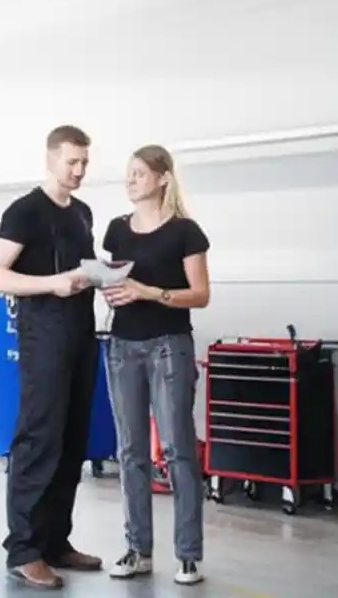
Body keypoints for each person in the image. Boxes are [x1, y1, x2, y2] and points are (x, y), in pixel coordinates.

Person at [0, 125, 103, 591]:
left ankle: (55, 541)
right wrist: (49, 284)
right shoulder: (25, 211)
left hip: (81, 333)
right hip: (44, 337)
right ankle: (24, 549)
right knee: (40, 439)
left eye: (84, 163)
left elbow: (80, 269)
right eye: (71, 162)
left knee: (73, 439)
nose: (78, 171)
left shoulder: (84, 214)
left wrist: (100, 278)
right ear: (51, 159)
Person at [99, 144, 210, 586]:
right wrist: (107, 286)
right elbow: (114, 281)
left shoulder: (186, 232)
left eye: (140, 173)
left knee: (178, 450)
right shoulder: (115, 231)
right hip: (123, 345)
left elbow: (200, 294)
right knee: (130, 452)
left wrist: (150, 292)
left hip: (169, 346)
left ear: (163, 178)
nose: (131, 181)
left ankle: (188, 556)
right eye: (128, 174)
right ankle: (137, 550)